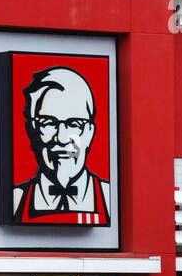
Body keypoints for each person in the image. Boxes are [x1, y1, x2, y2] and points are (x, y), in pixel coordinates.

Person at [11, 65, 111, 224]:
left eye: (75, 124)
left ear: (90, 132)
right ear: (32, 129)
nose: (62, 138)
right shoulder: (16, 200)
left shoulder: (109, 196)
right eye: (49, 123)